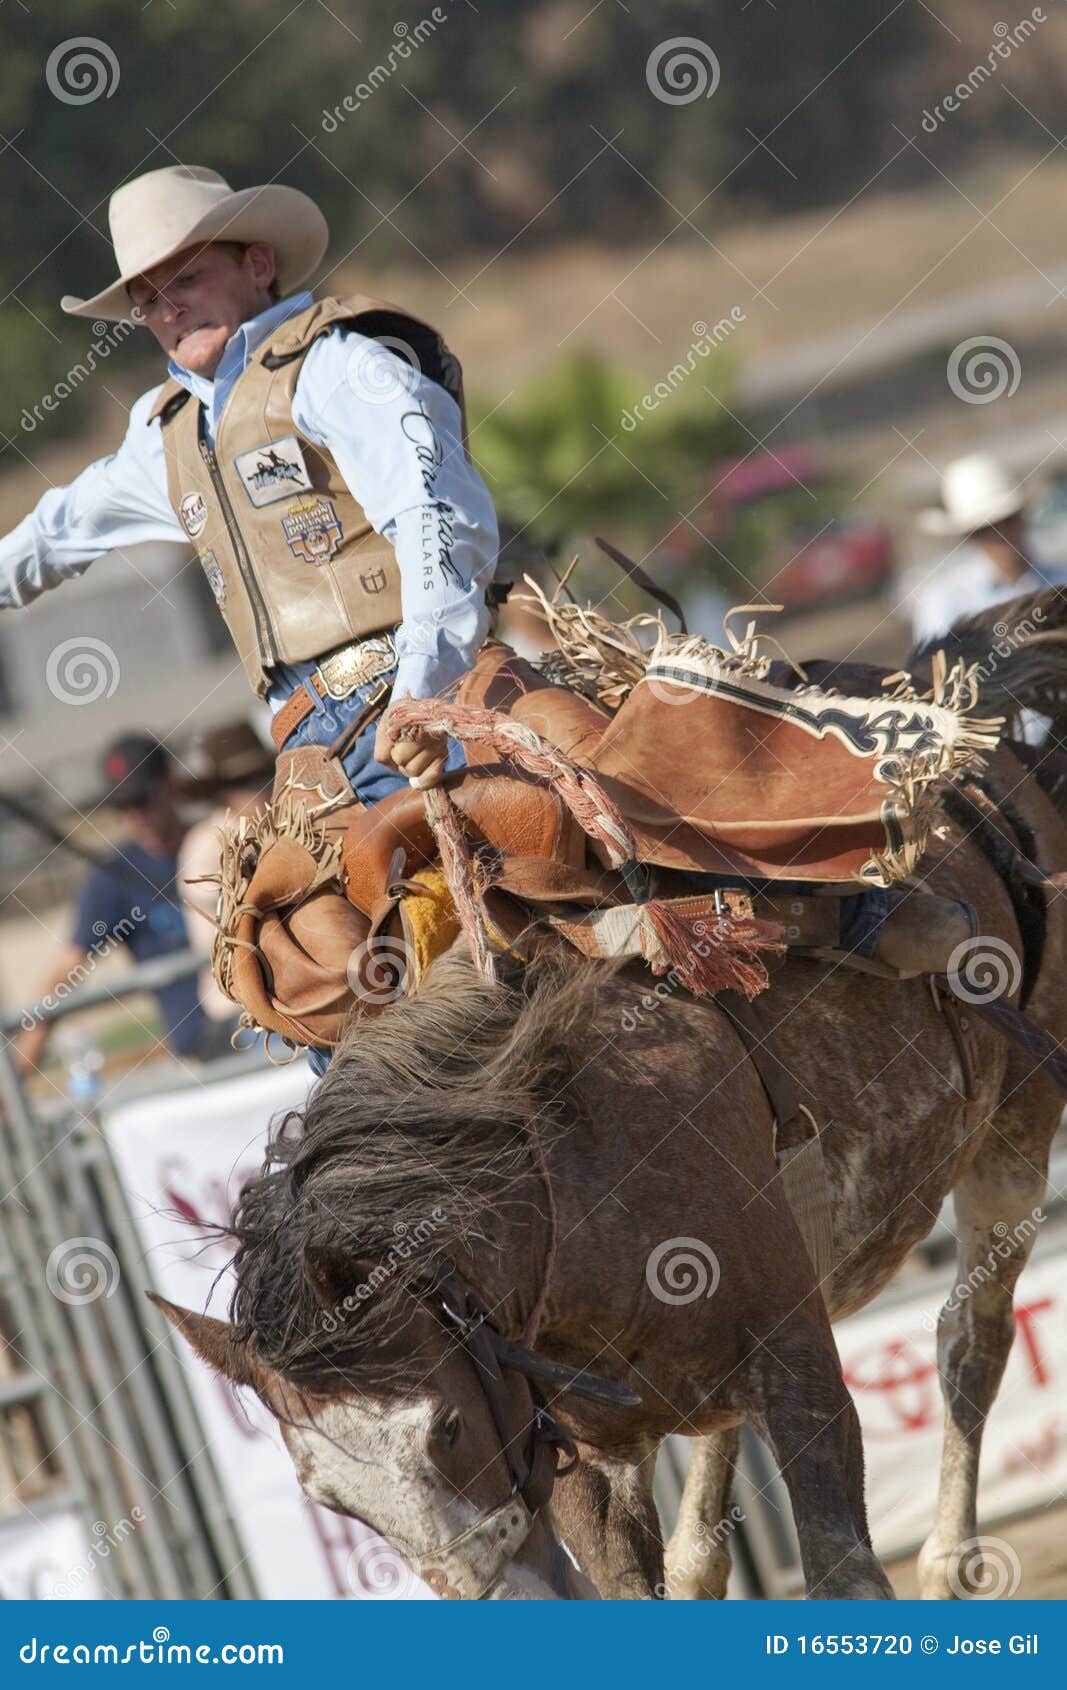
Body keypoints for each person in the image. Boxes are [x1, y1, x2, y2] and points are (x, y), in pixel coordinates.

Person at [0, 164, 498, 1071]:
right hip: (305, 746)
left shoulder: (339, 364)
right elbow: (52, 533)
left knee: (456, 937)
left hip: (414, 705)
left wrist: (423, 694)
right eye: (148, 297)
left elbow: (440, 517)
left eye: (184, 279)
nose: (166, 309)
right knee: (309, 989)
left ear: (258, 263)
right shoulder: (167, 437)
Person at [16, 734, 232, 1074]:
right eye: (122, 805)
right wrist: (17, 1075)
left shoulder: (221, 841)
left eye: (141, 800)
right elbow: (65, 975)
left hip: (265, 1021)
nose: (134, 816)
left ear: (170, 787)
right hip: (205, 1049)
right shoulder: (112, 879)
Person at [173, 719, 274, 1026]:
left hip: (286, 994)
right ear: (221, 792)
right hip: (240, 1011)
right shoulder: (207, 843)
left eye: (262, 775)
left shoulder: (282, 827)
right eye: (241, 782)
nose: (257, 789)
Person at [911, 452, 1067, 643]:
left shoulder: (1063, 579)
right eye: (986, 529)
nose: (1001, 535)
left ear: (1021, 517)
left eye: (1007, 521)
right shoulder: (944, 603)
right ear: (969, 536)